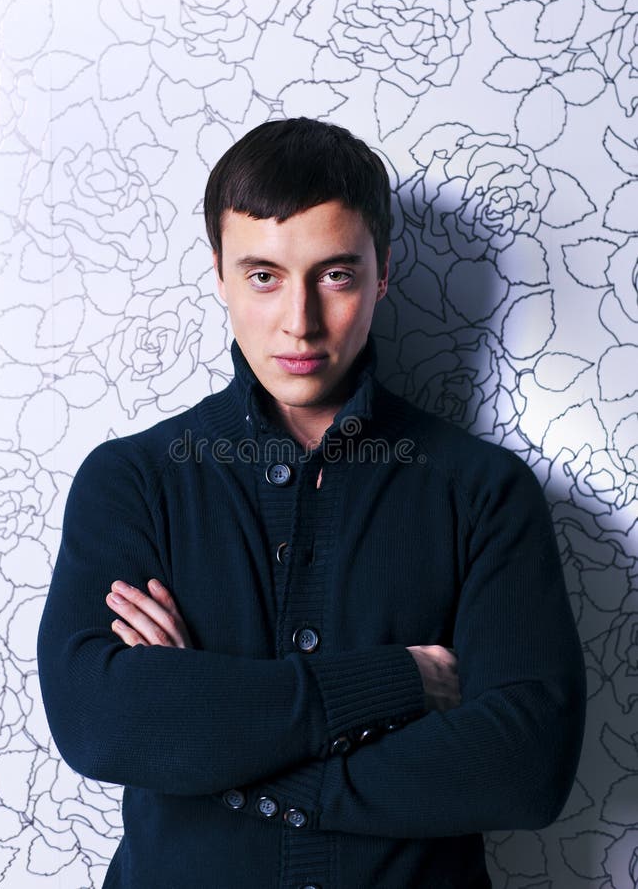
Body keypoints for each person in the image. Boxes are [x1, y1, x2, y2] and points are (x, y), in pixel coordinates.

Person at [37, 117, 586, 889]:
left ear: (383, 271)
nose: (300, 320)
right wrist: (398, 681)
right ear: (221, 274)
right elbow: (101, 724)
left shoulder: (484, 492)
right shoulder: (132, 482)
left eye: (335, 274)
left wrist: (216, 739)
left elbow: (525, 768)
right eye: (263, 275)